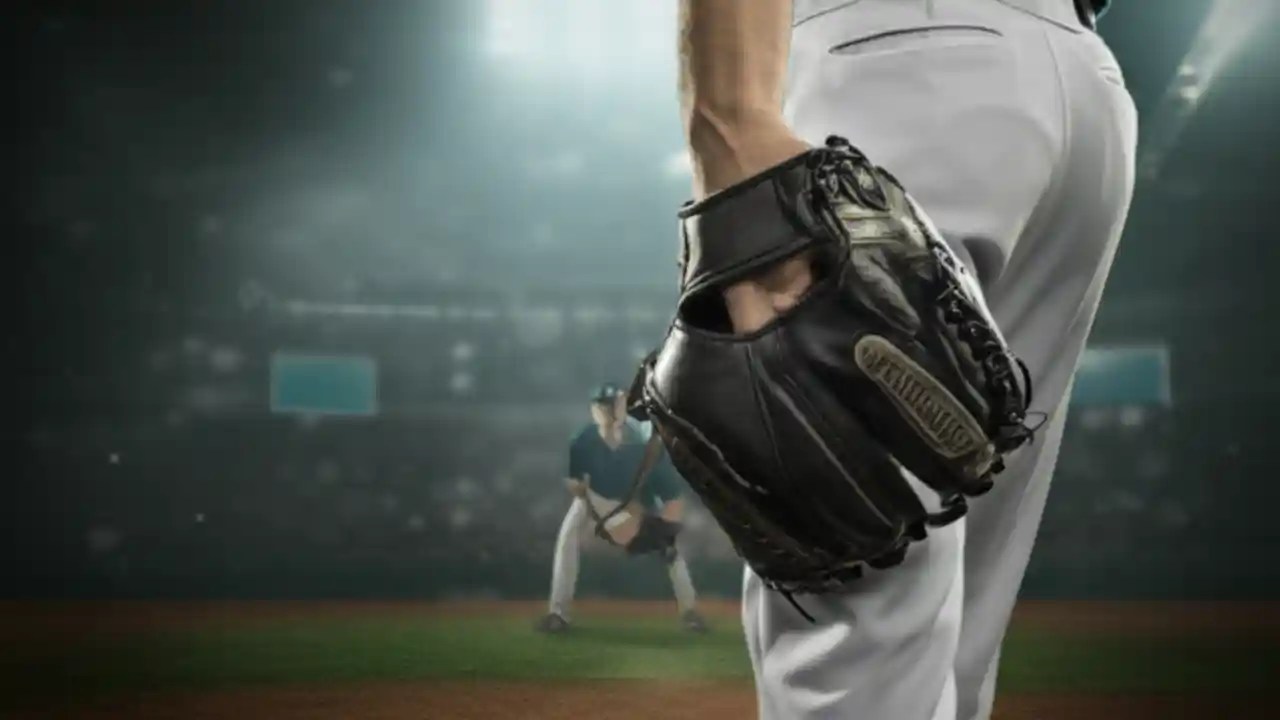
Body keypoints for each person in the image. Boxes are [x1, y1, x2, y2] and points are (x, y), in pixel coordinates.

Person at [675, 0, 1133, 718]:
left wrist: (727, 121)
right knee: (956, 644)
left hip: (893, 54)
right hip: (1084, 90)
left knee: (860, 620)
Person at [535, 382, 709, 634]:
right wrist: (581, 494)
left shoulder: (641, 443)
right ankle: (558, 614)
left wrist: (661, 524)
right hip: (595, 497)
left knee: (671, 551)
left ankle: (690, 611)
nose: (607, 411)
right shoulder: (583, 440)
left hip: (636, 497)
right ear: (594, 409)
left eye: (612, 405)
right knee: (567, 537)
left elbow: (669, 491)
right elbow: (574, 481)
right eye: (602, 405)